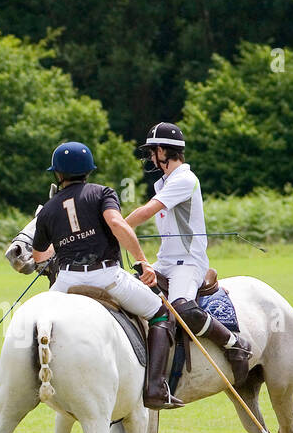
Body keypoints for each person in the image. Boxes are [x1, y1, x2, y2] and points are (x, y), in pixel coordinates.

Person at [29, 141, 181, 410]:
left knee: (36, 322)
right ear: (88, 170)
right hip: (108, 278)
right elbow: (115, 223)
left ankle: (32, 381)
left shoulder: (49, 209)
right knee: (161, 312)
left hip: (66, 283)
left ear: (58, 174)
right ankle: (156, 387)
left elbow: (40, 257)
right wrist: (142, 261)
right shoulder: (102, 193)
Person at [124, 121, 252, 386]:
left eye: (152, 151)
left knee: (182, 308)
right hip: (165, 262)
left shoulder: (184, 179)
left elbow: (146, 212)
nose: (150, 157)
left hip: (189, 263)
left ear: (163, 151)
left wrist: (117, 226)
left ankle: (233, 344)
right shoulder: (164, 182)